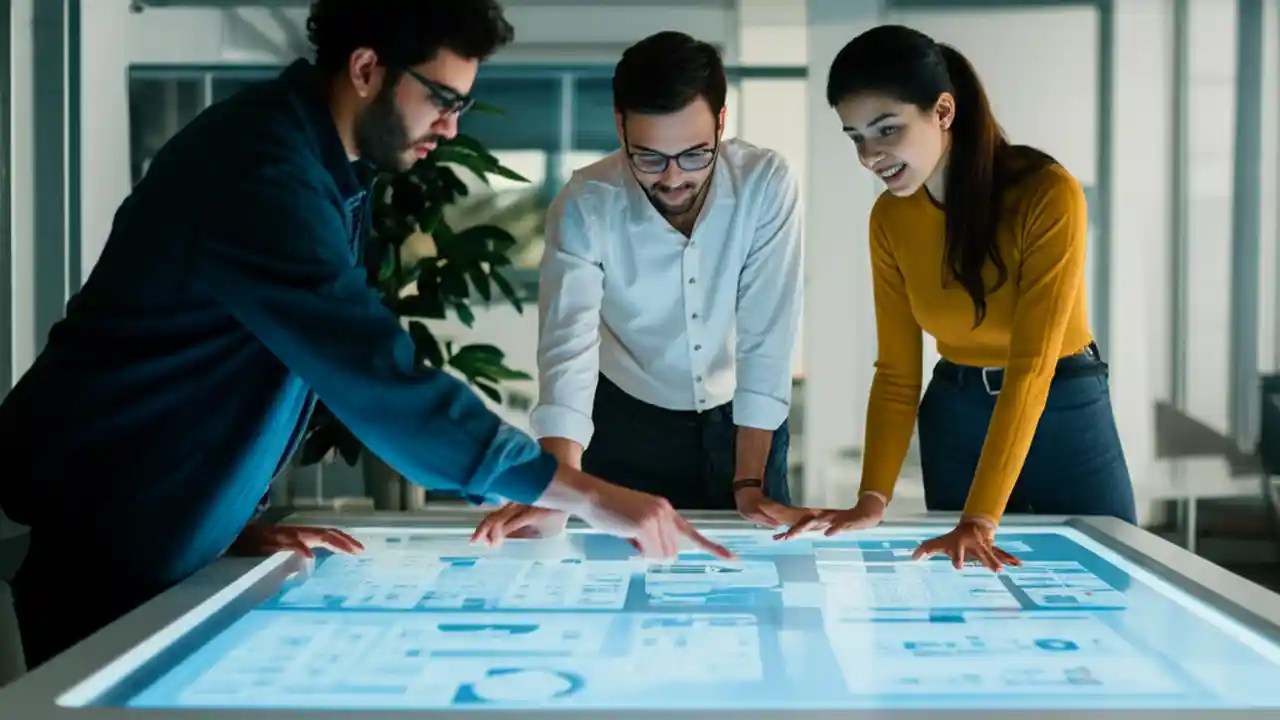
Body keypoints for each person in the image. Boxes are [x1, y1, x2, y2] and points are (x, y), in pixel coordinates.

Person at [0, 1, 729, 671]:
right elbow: (374, 375)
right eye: (441, 100)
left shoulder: (322, 168)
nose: (450, 128)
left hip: (155, 545)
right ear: (366, 68)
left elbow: (256, 359)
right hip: (104, 556)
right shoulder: (259, 166)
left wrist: (227, 527)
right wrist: (584, 494)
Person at [777, 25, 1135, 569]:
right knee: (968, 594)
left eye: (887, 129)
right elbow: (898, 373)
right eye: (855, 137)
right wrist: (872, 499)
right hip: (957, 415)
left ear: (943, 111)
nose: (869, 155)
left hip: (1063, 407)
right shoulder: (890, 219)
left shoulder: (1045, 192)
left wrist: (979, 518)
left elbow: (1031, 368)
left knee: (1109, 579)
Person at [471, 31, 807, 546]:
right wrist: (558, 491)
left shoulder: (764, 184)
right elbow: (568, 352)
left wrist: (748, 480)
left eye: (695, 155)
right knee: (622, 594)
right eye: (648, 158)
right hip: (627, 426)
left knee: (755, 589)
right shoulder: (586, 203)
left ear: (721, 122)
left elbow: (768, 336)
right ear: (620, 124)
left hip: (746, 427)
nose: (673, 178)